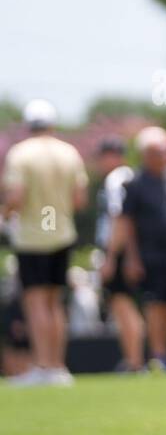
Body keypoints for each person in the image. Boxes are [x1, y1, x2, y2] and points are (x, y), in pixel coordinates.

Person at [1, 99, 88, 386]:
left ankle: (42, 365)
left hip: (31, 238)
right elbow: (79, 199)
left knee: (35, 301)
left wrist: (5, 214)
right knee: (54, 302)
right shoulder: (69, 153)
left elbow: (16, 197)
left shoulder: (20, 154)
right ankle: (58, 366)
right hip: (63, 234)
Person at [114, 126, 166, 370]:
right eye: (159, 151)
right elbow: (127, 223)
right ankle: (157, 356)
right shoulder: (135, 184)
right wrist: (131, 258)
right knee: (156, 305)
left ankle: (164, 356)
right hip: (150, 255)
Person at [93, 136, 145, 371]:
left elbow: (120, 219)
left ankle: (134, 360)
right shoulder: (133, 176)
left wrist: (111, 257)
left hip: (119, 249)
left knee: (122, 303)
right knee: (125, 304)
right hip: (130, 249)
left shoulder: (116, 180)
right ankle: (135, 359)